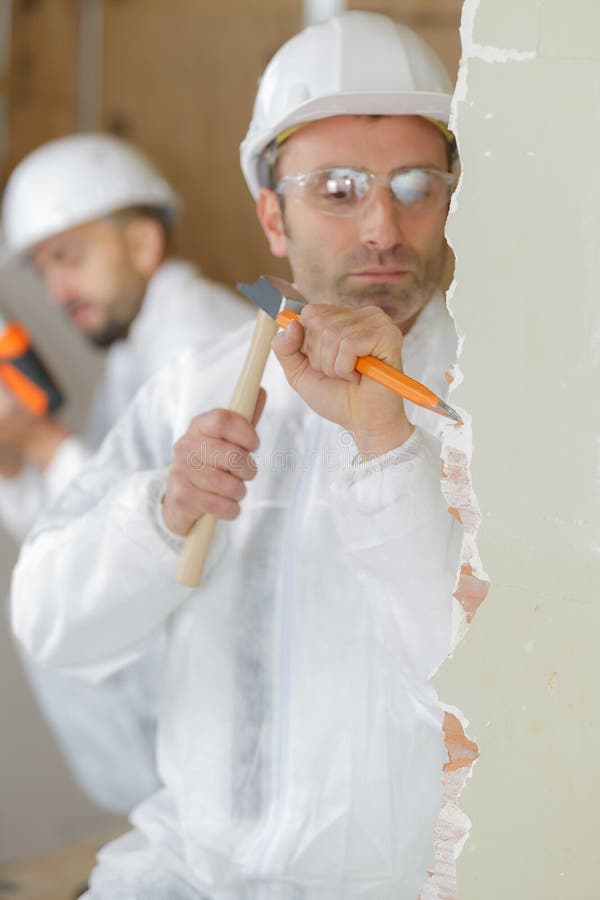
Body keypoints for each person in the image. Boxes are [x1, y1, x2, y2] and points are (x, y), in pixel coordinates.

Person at [12, 12, 462, 899]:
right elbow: (51, 622)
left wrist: (383, 446)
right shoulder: (201, 385)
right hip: (192, 873)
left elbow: (508, 675)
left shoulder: (513, 398)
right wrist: (163, 512)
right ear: (272, 213)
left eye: (416, 185)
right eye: (336, 188)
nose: (382, 226)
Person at [0, 133, 252, 812]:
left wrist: (47, 443)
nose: (56, 290)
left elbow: (179, 535)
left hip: (231, 736)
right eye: (42, 269)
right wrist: (16, 458)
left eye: (69, 258)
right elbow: (81, 526)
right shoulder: (136, 349)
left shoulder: (200, 347)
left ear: (141, 244)